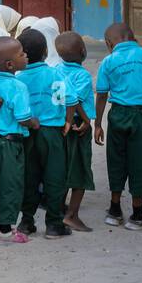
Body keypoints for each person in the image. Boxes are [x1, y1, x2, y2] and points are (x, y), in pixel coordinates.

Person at [94, 22, 142, 231]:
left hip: (117, 114)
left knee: (116, 158)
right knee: (139, 160)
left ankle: (115, 209)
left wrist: (98, 124)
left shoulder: (108, 61)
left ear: (109, 43)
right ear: (133, 37)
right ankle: (138, 212)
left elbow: (102, 95)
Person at [16, 28, 79, 239]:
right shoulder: (55, 74)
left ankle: (26, 221)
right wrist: (68, 121)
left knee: (29, 177)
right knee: (55, 177)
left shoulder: (19, 77)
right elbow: (68, 100)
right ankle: (53, 224)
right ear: (45, 52)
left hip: (27, 133)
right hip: (52, 132)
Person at [0, 36, 39, 243]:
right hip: (9, 144)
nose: (26, 56)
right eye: (22, 54)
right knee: (10, 184)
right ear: (10, 64)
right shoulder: (18, 86)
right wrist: (34, 123)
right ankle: (6, 228)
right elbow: (22, 118)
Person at [56, 31, 96, 232]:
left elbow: (57, 100)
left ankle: (60, 210)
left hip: (60, 125)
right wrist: (86, 120)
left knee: (62, 168)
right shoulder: (83, 75)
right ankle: (72, 215)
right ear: (83, 50)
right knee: (79, 170)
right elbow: (75, 99)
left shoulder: (55, 71)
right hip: (79, 126)